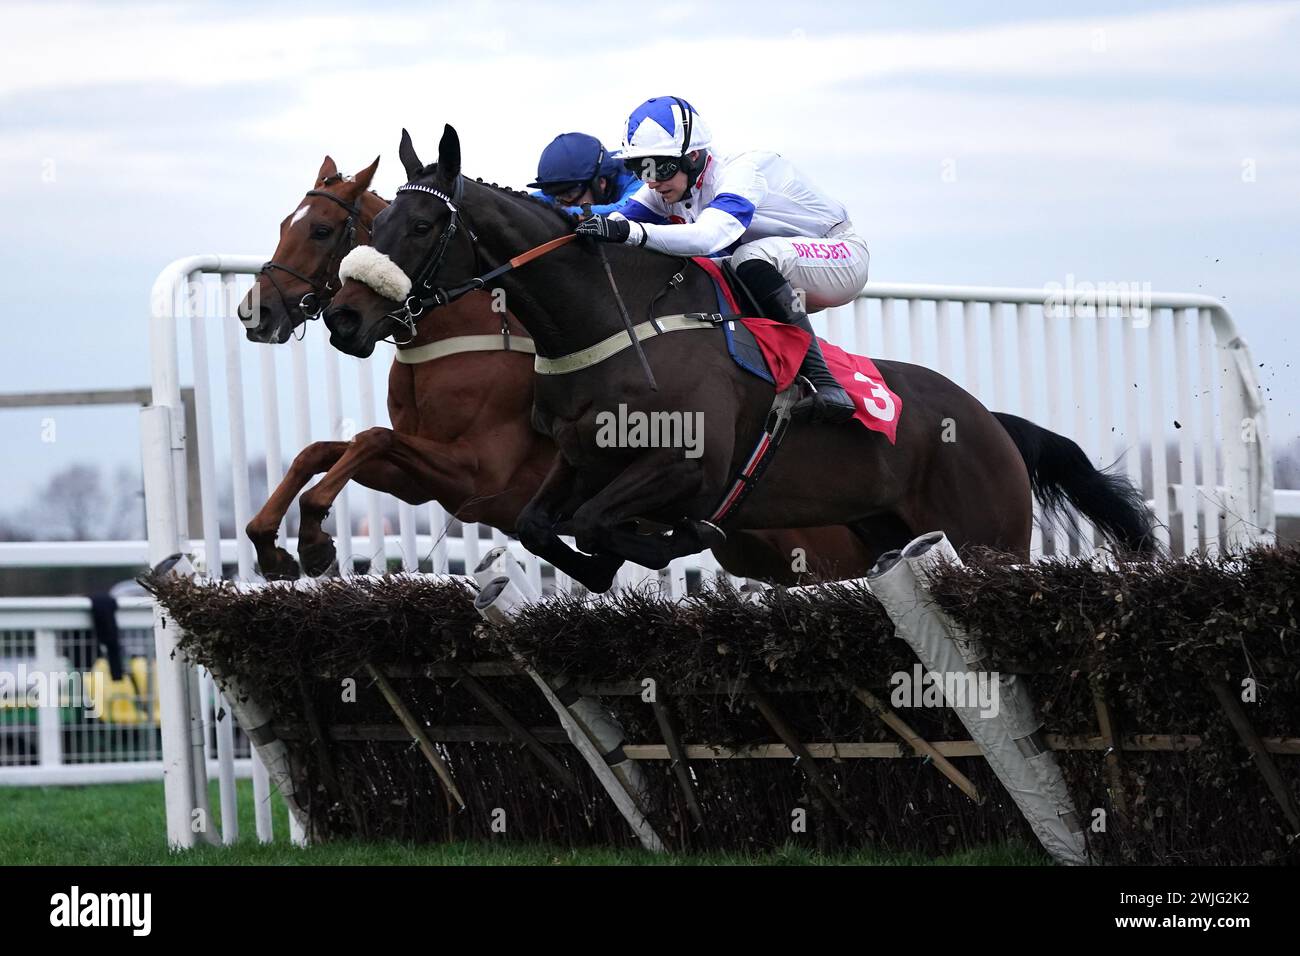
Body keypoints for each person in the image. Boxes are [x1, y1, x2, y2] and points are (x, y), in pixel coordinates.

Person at [577, 97, 868, 424]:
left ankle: (825, 383)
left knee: (745, 256)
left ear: (694, 157)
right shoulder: (663, 188)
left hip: (841, 257)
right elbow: (614, 226)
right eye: (639, 168)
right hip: (778, 271)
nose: (651, 181)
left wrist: (629, 232)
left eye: (660, 167)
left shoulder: (741, 172)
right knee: (698, 270)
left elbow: (706, 238)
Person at [528, 132, 641, 216]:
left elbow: (628, 210)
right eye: (557, 198)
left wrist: (561, 212)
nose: (564, 204)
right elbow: (538, 199)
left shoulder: (640, 175)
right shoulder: (576, 186)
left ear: (601, 183)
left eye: (569, 195)